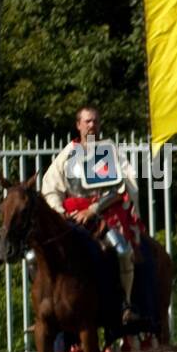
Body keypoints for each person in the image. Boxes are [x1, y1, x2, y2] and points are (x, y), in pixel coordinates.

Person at [40, 105, 143, 324]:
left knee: (122, 250)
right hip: (71, 221)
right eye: (87, 121)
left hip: (104, 217)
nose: (91, 125)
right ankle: (45, 305)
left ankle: (125, 303)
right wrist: (61, 213)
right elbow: (50, 188)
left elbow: (124, 186)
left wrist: (93, 209)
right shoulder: (67, 155)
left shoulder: (110, 152)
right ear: (78, 125)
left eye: (95, 121)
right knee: (37, 256)